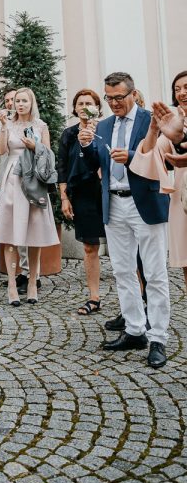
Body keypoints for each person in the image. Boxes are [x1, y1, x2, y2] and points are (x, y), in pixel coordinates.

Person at [78, 72, 170, 369]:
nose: (114, 103)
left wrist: (130, 156)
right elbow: (95, 165)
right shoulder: (103, 124)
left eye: (119, 97)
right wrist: (86, 146)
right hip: (114, 204)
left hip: (145, 201)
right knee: (122, 270)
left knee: (154, 273)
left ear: (133, 93)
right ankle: (134, 329)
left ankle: (158, 337)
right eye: (109, 98)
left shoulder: (149, 119)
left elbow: (162, 157)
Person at [0, 87, 59, 306]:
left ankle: (32, 282)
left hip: (34, 181)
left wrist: (35, 145)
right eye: (17, 101)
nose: (20, 104)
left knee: (35, 231)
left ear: (31, 103)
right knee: (11, 233)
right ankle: (11, 284)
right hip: (13, 178)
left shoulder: (40, 126)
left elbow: (49, 155)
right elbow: (0, 151)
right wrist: (3, 126)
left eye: (24, 101)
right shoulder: (8, 124)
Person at [131, 72, 187, 292]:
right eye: (177, 89)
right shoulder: (174, 124)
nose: (182, 93)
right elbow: (147, 158)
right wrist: (155, 131)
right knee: (186, 262)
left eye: (186, 87)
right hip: (183, 201)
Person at [58, 89, 105, 315]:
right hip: (82, 193)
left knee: (125, 245)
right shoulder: (68, 134)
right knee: (89, 246)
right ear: (75, 108)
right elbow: (62, 168)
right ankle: (94, 297)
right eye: (80, 103)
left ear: (97, 107)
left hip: (106, 191)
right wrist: (64, 197)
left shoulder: (105, 130)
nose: (84, 106)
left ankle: (139, 295)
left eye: (89, 102)